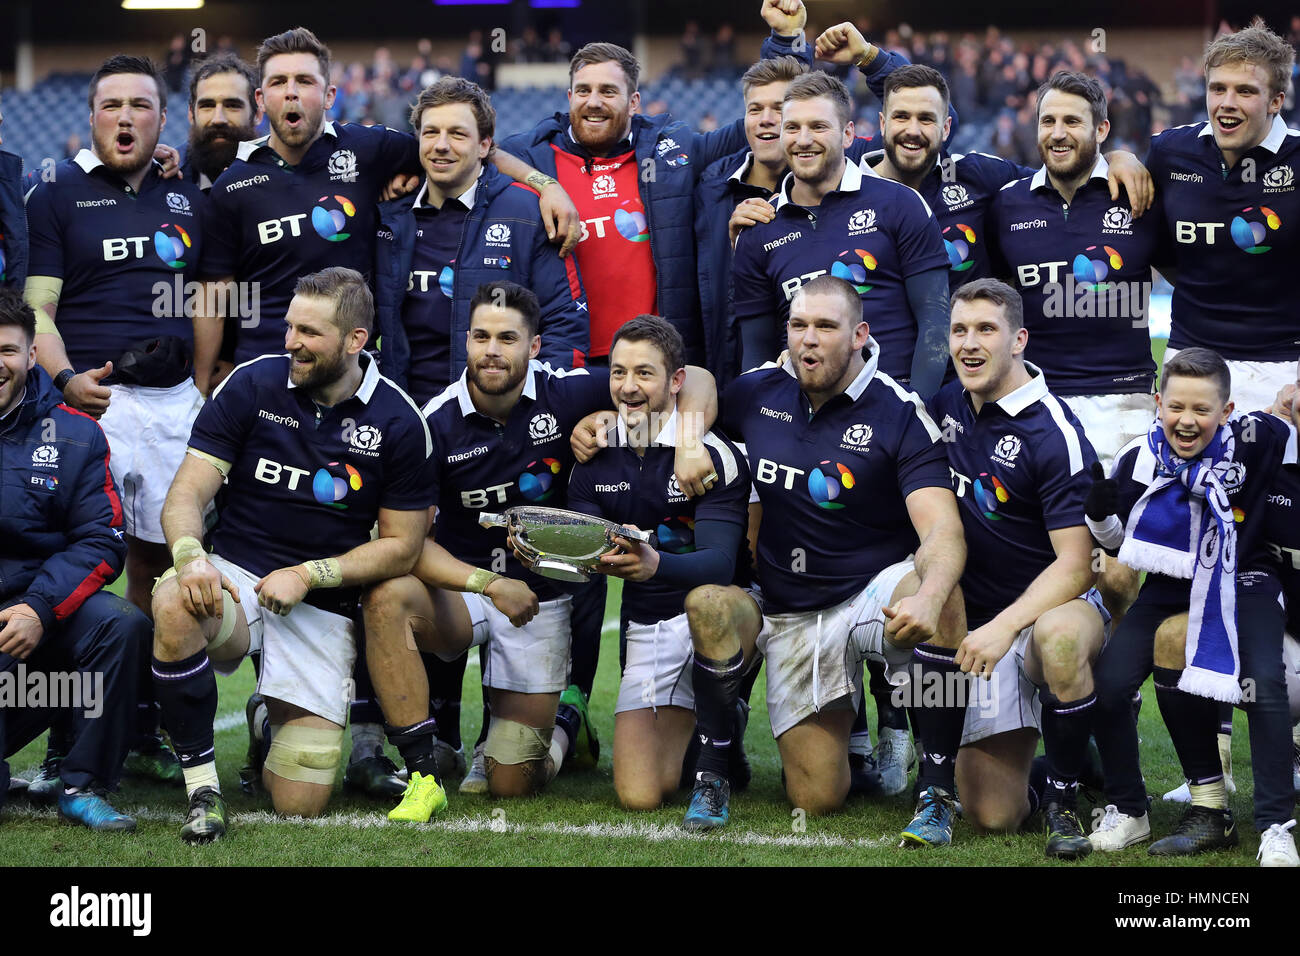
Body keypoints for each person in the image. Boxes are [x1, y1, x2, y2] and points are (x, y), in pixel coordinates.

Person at [363, 280, 718, 804]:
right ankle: (423, 770)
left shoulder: (566, 391)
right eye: (481, 337)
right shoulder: (432, 423)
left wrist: (687, 440)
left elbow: (699, 378)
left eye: (507, 338)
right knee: (388, 596)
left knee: (511, 784)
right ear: (465, 341)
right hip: (467, 591)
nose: (491, 351)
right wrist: (488, 584)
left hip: (543, 598)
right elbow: (408, 543)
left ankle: (567, 721)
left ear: (534, 346)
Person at [149, 267, 436, 842]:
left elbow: (403, 547)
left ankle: (267, 715)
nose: (291, 343)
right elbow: (186, 493)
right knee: (177, 600)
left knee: (299, 803)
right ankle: (203, 791)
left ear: (355, 340)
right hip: (234, 575)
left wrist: (309, 574)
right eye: (289, 327)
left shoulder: (400, 420)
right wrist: (190, 555)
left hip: (321, 600)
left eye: (309, 332)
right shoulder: (253, 383)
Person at [685, 274, 966, 822]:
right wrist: (687, 439)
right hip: (791, 609)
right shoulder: (760, 390)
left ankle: (937, 789)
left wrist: (930, 595)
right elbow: (693, 378)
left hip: (871, 594)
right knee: (815, 798)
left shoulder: (901, 412)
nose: (808, 340)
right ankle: (720, 770)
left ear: (860, 335)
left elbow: (943, 531)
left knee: (945, 594)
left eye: (825, 327)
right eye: (798, 325)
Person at [23, 54, 209, 785]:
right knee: (80, 565)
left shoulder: (187, 194)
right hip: (92, 405)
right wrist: (65, 379)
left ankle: (140, 728)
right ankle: (63, 742)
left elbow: (207, 300)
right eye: (111, 105)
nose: (125, 117)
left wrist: (202, 386)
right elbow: (39, 308)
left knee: (158, 566)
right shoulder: (54, 197)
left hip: (175, 406)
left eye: (140, 105)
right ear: (91, 116)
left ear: (163, 121)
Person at [497, 0, 813, 373]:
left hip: (660, 364)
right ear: (569, 98)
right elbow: (483, 152)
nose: (593, 102)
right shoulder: (534, 155)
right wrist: (546, 184)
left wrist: (785, 40)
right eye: (583, 91)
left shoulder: (674, 152)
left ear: (634, 102)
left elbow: (760, 122)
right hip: (568, 362)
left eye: (608, 91)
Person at [1084, 347, 1297, 865]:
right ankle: (1129, 809)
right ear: (1158, 404)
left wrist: (1287, 406)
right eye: (1176, 406)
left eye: (1202, 409)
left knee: (1264, 681)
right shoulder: (1139, 456)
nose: (1186, 420)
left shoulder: (1257, 440)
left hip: (1246, 578)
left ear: (1227, 412)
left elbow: (1285, 421)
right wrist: (1099, 516)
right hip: (1169, 586)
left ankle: (1275, 825)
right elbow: (1122, 545)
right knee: (1108, 686)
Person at [925, 278, 1106, 856]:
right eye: (959, 330)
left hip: (1042, 613)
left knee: (1059, 640)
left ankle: (1065, 792)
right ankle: (1070, 753)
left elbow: (1078, 564)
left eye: (986, 329)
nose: (969, 344)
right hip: (975, 618)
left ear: (1019, 340)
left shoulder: (1054, 432)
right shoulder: (947, 403)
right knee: (994, 815)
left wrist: (1005, 627)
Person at [566, 315, 749, 826]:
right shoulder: (593, 455)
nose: (628, 387)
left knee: (707, 602)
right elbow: (587, 551)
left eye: (644, 373)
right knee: (640, 794)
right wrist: (543, 549)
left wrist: (654, 564)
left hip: (723, 613)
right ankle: (713, 725)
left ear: (675, 381)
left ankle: (720, 735)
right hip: (648, 625)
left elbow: (720, 565)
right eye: (618, 372)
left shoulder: (710, 453)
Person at [0, 288, 151, 831]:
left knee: (121, 624)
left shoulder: (75, 433)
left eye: (7, 350)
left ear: (31, 355)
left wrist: (38, 608)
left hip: (39, 613)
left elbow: (101, 538)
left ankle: (81, 784)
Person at [729, 72, 950, 398]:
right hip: (804, 415)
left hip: (894, 408)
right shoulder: (757, 230)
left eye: (818, 127)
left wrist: (916, 409)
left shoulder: (901, 204)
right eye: (792, 128)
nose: (804, 140)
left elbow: (935, 321)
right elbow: (757, 354)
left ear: (848, 134)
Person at [375, 76, 588, 407]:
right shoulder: (388, 216)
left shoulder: (527, 213)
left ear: (485, 146)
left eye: (457, 134)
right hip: (406, 414)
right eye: (431, 132)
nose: (441, 144)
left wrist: (537, 410)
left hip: (497, 416)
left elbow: (564, 325)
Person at [988, 71, 1162, 471]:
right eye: (1048, 121)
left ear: (1101, 129)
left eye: (1072, 121)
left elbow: (1188, 280)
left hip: (1126, 403)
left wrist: (1123, 157)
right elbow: (998, 296)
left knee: (1117, 511)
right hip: (1035, 398)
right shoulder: (1006, 205)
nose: (1058, 133)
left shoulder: (1140, 195)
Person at [1147, 19, 1300, 414]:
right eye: (1218, 88)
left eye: (1245, 91)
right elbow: (1160, 251)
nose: (1227, 102)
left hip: (1282, 366)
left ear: (1276, 101)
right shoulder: (1169, 153)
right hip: (1189, 357)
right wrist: (1119, 158)